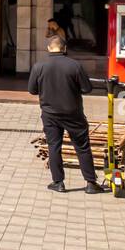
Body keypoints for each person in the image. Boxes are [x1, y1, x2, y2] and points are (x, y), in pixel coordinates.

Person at [29, 35, 103, 194]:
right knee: (82, 147)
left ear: (49, 48)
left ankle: (58, 182)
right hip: (73, 114)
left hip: (50, 114)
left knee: (54, 146)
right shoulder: (75, 66)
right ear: (64, 48)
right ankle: (90, 183)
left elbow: (32, 90)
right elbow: (87, 88)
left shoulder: (39, 66)